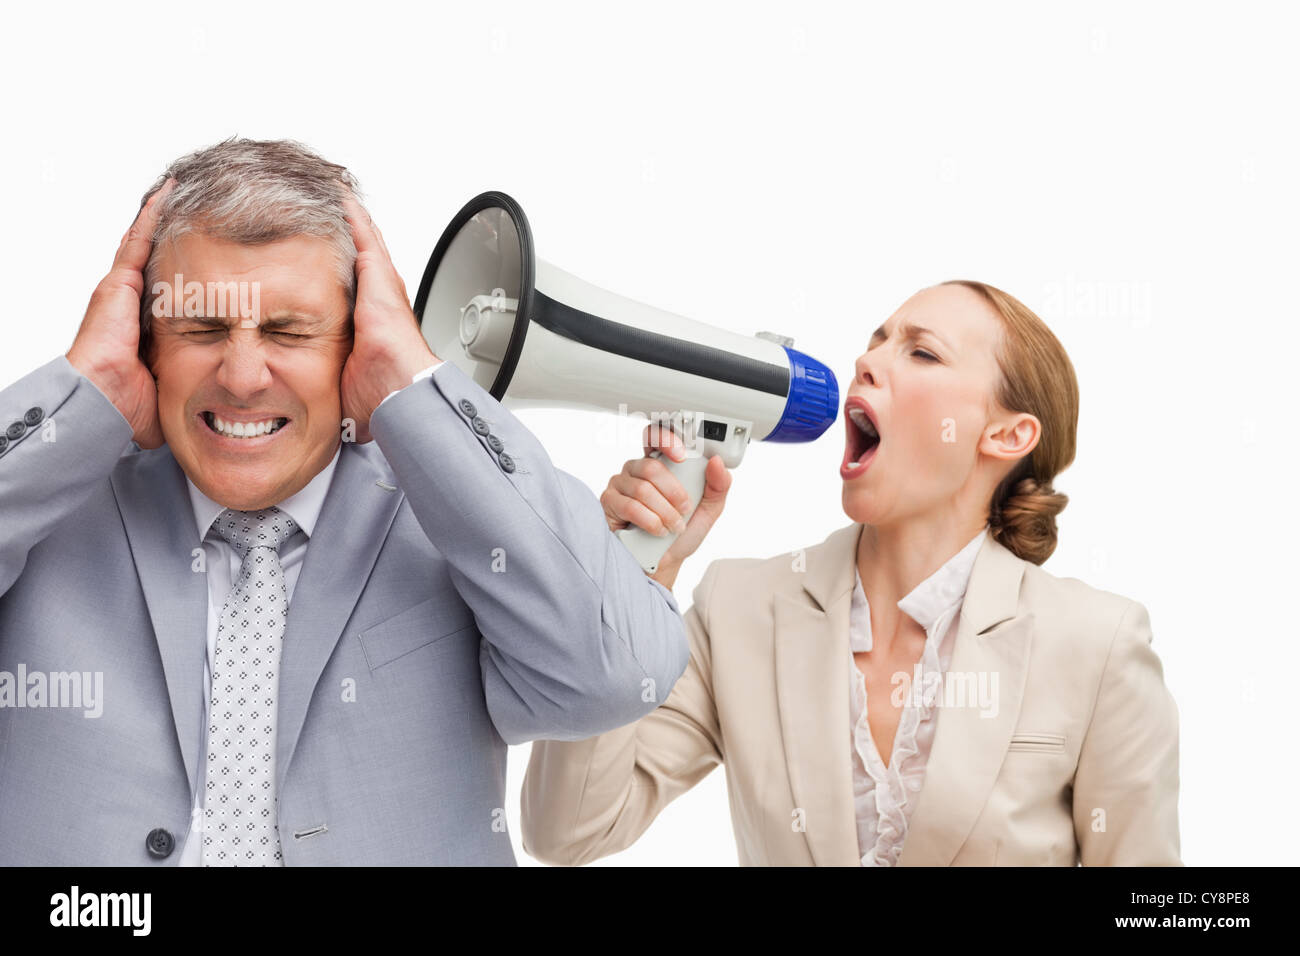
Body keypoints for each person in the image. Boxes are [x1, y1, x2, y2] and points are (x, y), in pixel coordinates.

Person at [0, 137, 688, 866]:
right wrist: (81, 394)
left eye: (288, 331)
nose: (240, 376)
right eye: (200, 329)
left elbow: (612, 677)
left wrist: (413, 381)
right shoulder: (45, 507)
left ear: (358, 341)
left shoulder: (462, 514)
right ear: (147, 345)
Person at [522, 280, 1181, 866]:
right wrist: (634, 581)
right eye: (876, 341)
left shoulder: (1098, 644)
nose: (866, 361)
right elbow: (568, 832)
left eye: (921, 352)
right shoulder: (739, 610)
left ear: (1005, 436)